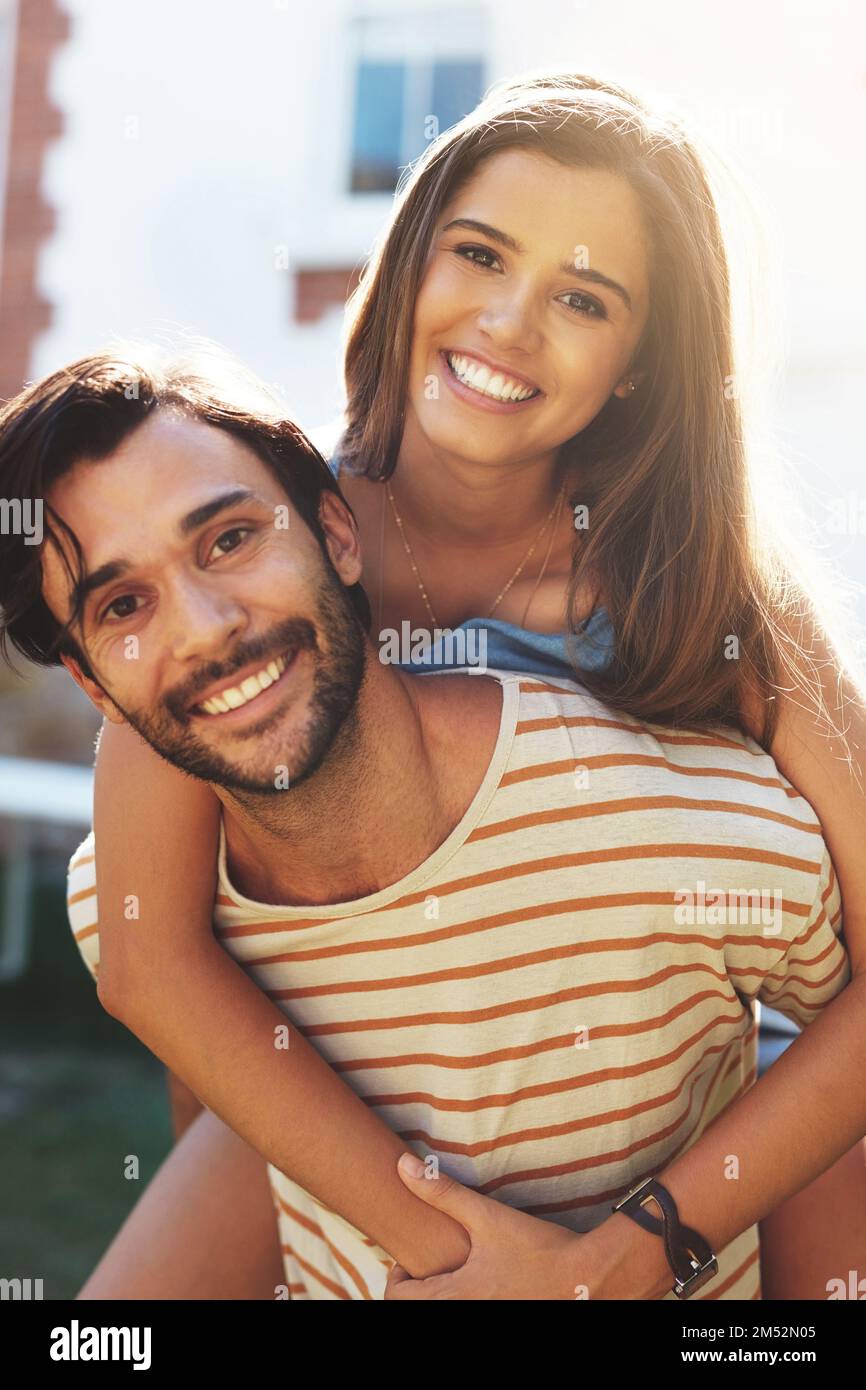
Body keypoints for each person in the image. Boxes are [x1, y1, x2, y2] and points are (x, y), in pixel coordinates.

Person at [79, 71, 866, 1296]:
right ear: (407, 266)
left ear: (641, 364)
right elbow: (150, 955)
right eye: (480, 255)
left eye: (581, 297)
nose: (506, 323)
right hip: (338, 1120)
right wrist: (452, 1249)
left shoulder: (716, 596)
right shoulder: (250, 546)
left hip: (724, 1129)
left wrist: (635, 1248)